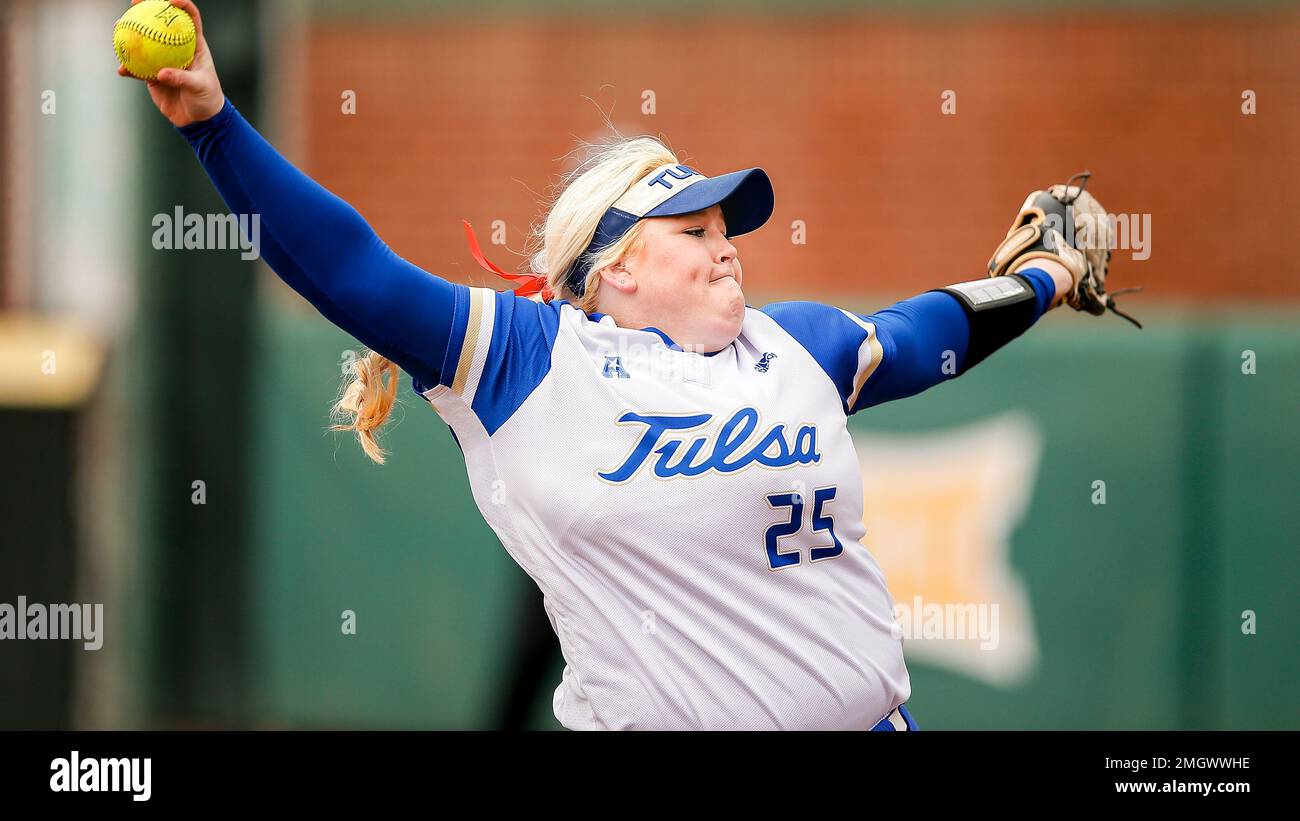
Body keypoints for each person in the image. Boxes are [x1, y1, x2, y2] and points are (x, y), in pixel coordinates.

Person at [122, 0, 1129, 731]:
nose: (726, 243)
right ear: (612, 270)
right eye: (691, 228)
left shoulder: (793, 346)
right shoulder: (528, 360)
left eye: (726, 225)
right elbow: (349, 265)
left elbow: (926, 332)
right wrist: (216, 124)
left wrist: (1043, 275)